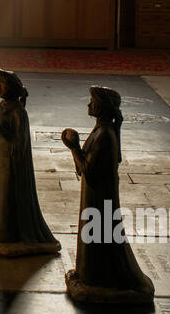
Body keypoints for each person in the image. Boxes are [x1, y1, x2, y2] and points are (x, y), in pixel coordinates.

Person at [61, 86, 154, 302]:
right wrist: (74, 148)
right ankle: (90, 274)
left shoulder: (104, 135)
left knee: (98, 233)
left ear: (101, 108)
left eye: (92, 102)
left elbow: (90, 172)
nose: (88, 105)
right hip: (97, 194)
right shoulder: (101, 131)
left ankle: (97, 278)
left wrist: (74, 147)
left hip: (99, 196)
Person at [0, 69, 61, 256]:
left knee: (8, 195)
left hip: (12, 164)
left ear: (13, 88)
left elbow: (19, 144)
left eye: (3, 85)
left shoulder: (18, 113)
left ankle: (10, 235)